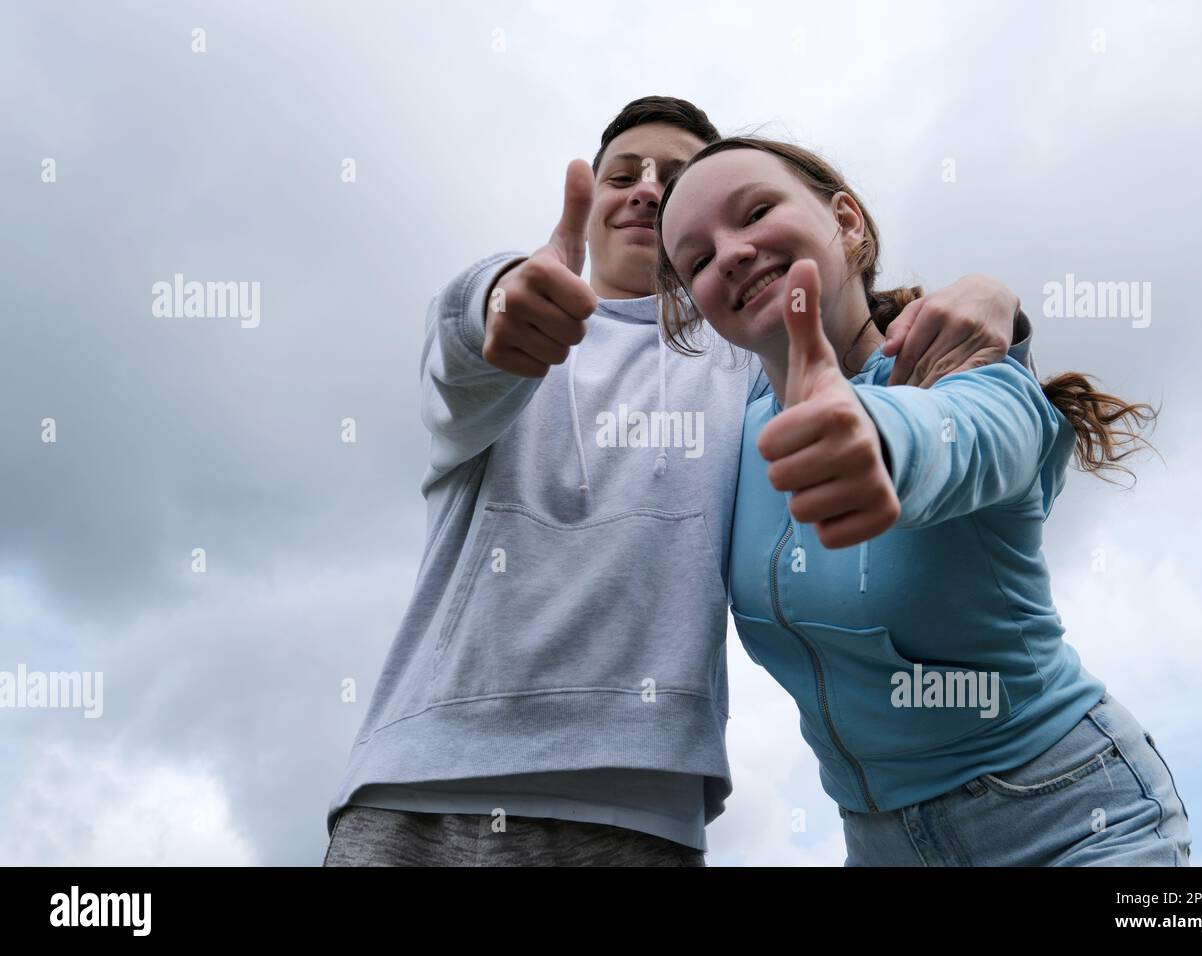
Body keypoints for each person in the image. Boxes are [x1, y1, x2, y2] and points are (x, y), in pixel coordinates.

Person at [325, 98, 1035, 867]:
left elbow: (875, 354)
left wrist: (994, 298)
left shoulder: (748, 360)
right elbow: (466, 344)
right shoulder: (519, 340)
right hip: (423, 786)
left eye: (674, 178)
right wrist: (495, 296)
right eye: (622, 175)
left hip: (640, 810)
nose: (645, 188)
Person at [656, 136, 1191, 866]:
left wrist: (875, 434)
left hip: (1073, 819)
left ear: (847, 222)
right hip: (879, 845)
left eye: (754, 213)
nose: (731, 253)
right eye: (697, 260)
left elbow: (969, 435)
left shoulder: (965, 373)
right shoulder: (725, 438)